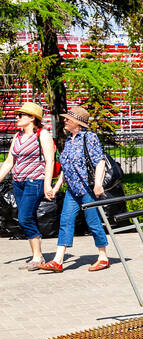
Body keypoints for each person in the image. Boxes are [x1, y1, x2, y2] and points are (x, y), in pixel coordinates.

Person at [41, 105, 112, 273]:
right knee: (65, 221)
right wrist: (56, 187)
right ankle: (58, 260)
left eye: (68, 119)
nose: (64, 121)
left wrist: (97, 184)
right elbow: (66, 168)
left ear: (77, 122)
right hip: (72, 191)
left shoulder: (89, 138)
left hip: (87, 189)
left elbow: (100, 162)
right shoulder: (69, 140)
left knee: (93, 223)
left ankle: (103, 257)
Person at [0, 101, 57, 269]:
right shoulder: (17, 136)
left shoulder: (42, 134)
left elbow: (50, 160)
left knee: (24, 217)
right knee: (25, 216)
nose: (17, 117)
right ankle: (36, 256)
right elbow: (10, 161)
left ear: (32, 118)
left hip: (35, 181)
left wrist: (47, 184)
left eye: (21, 115)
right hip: (18, 181)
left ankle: (38, 257)